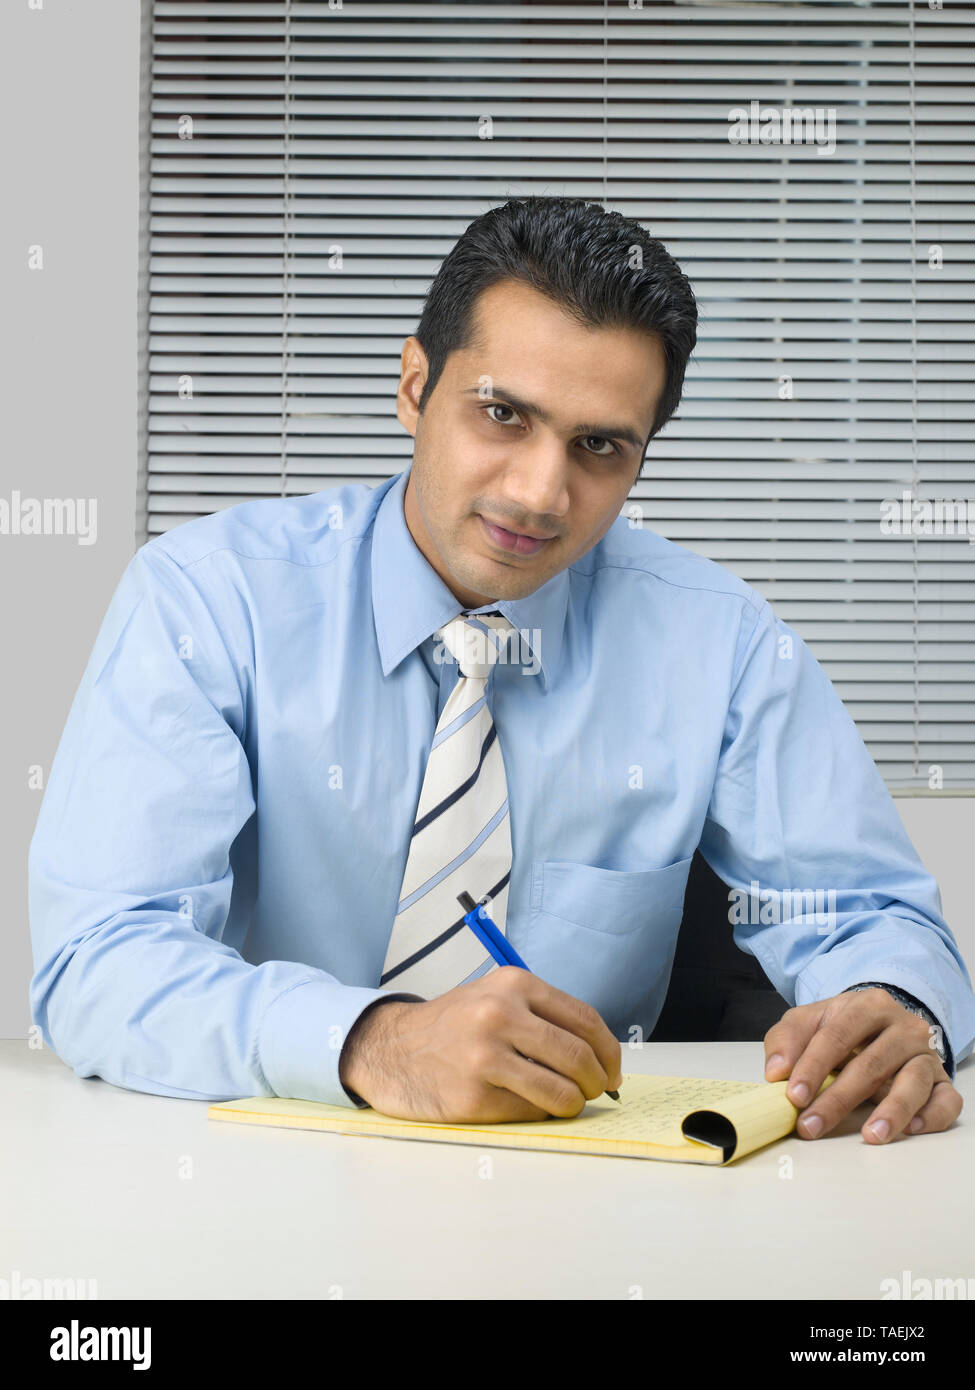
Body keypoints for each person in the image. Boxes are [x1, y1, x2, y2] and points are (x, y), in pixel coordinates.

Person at [28, 196, 970, 1147]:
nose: (538, 492)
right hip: (253, 1162)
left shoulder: (718, 644)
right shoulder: (207, 601)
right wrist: (375, 1046)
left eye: (598, 446)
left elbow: (863, 914)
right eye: (502, 414)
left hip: (589, 1188)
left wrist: (895, 1006)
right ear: (412, 386)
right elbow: (98, 958)